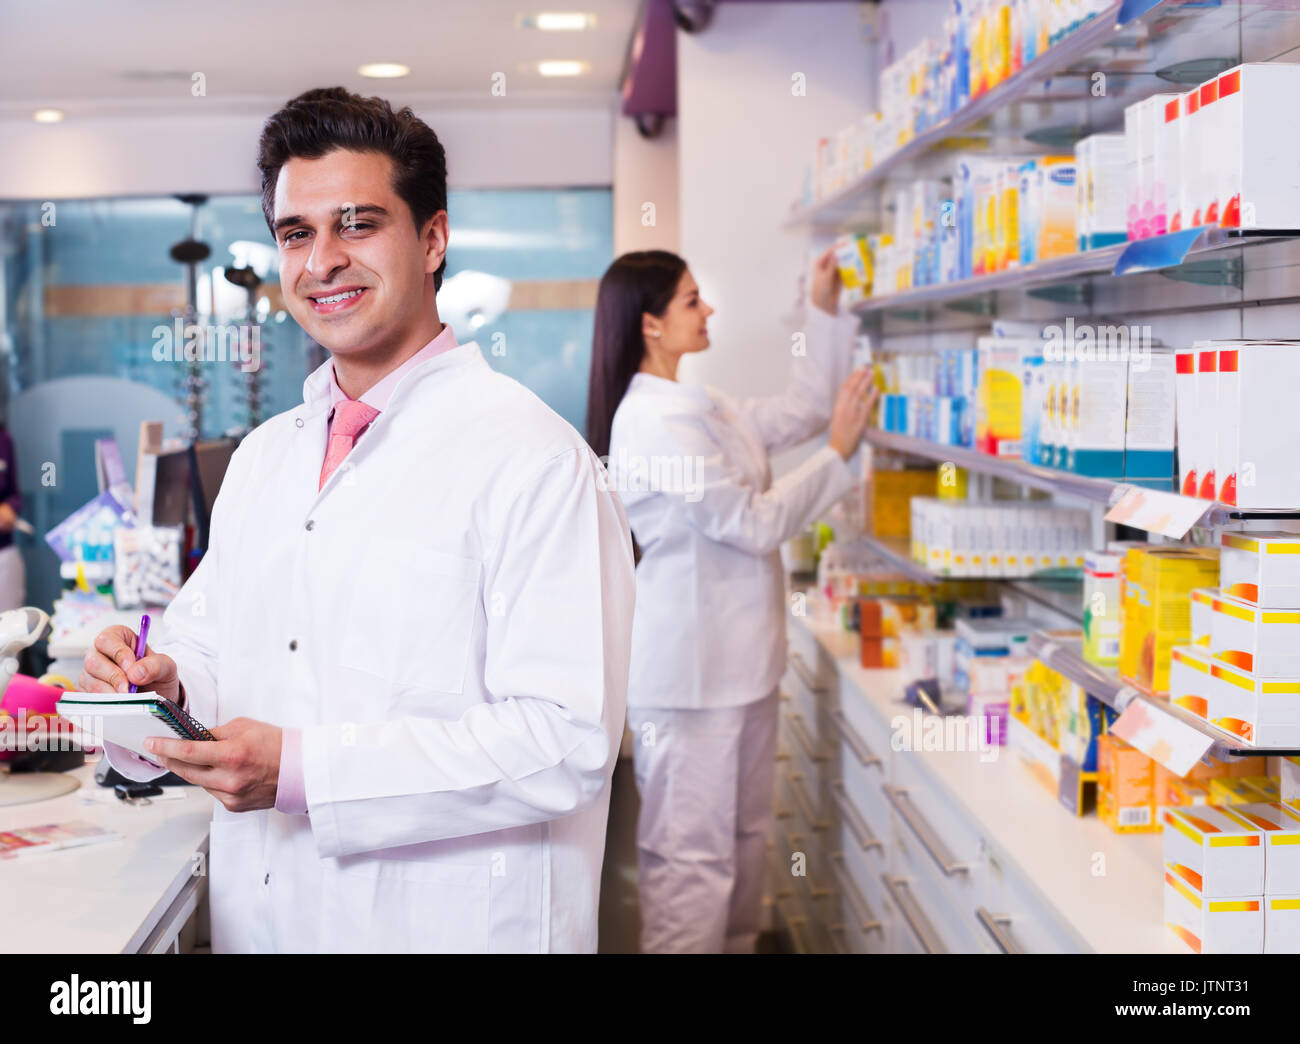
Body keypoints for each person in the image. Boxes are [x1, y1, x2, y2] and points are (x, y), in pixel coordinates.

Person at [79, 87, 636, 954]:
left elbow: (565, 742)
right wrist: (162, 688)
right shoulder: (268, 459)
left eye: (358, 224)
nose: (322, 261)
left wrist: (302, 772)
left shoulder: (535, 459)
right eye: (297, 233)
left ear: (434, 239)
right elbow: (219, 649)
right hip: (267, 922)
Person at [585, 248, 876, 954]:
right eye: (692, 300)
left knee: (744, 847)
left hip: (742, 669)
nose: (708, 309)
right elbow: (752, 523)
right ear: (651, 324)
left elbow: (802, 408)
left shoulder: (701, 404)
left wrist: (824, 307)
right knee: (692, 863)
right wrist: (838, 457)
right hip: (689, 685)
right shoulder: (653, 425)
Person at [0, 423, 24, 613]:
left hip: (4, 551)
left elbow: (15, 494)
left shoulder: (4, 440)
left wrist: (10, 507)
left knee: (9, 634)